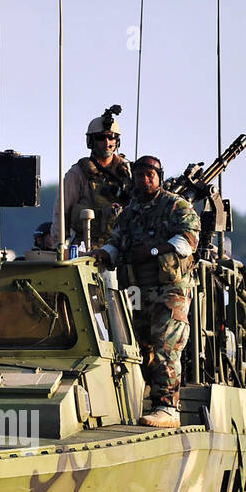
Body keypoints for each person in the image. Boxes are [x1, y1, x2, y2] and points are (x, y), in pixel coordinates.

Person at [92, 155, 201, 429]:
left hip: (170, 290)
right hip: (138, 290)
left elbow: (188, 239)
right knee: (141, 347)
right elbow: (117, 241)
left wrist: (153, 250)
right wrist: (104, 255)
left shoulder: (177, 206)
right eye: (141, 175)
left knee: (166, 345)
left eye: (151, 174)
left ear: (159, 176)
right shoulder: (130, 212)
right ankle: (142, 400)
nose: (145, 179)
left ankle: (167, 407)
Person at [49, 106, 132, 250]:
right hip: (88, 246)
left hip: (123, 244)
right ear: (91, 141)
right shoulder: (78, 174)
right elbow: (61, 213)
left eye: (111, 137)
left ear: (117, 141)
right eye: (101, 138)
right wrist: (60, 246)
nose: (107, 142)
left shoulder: (129, 172)